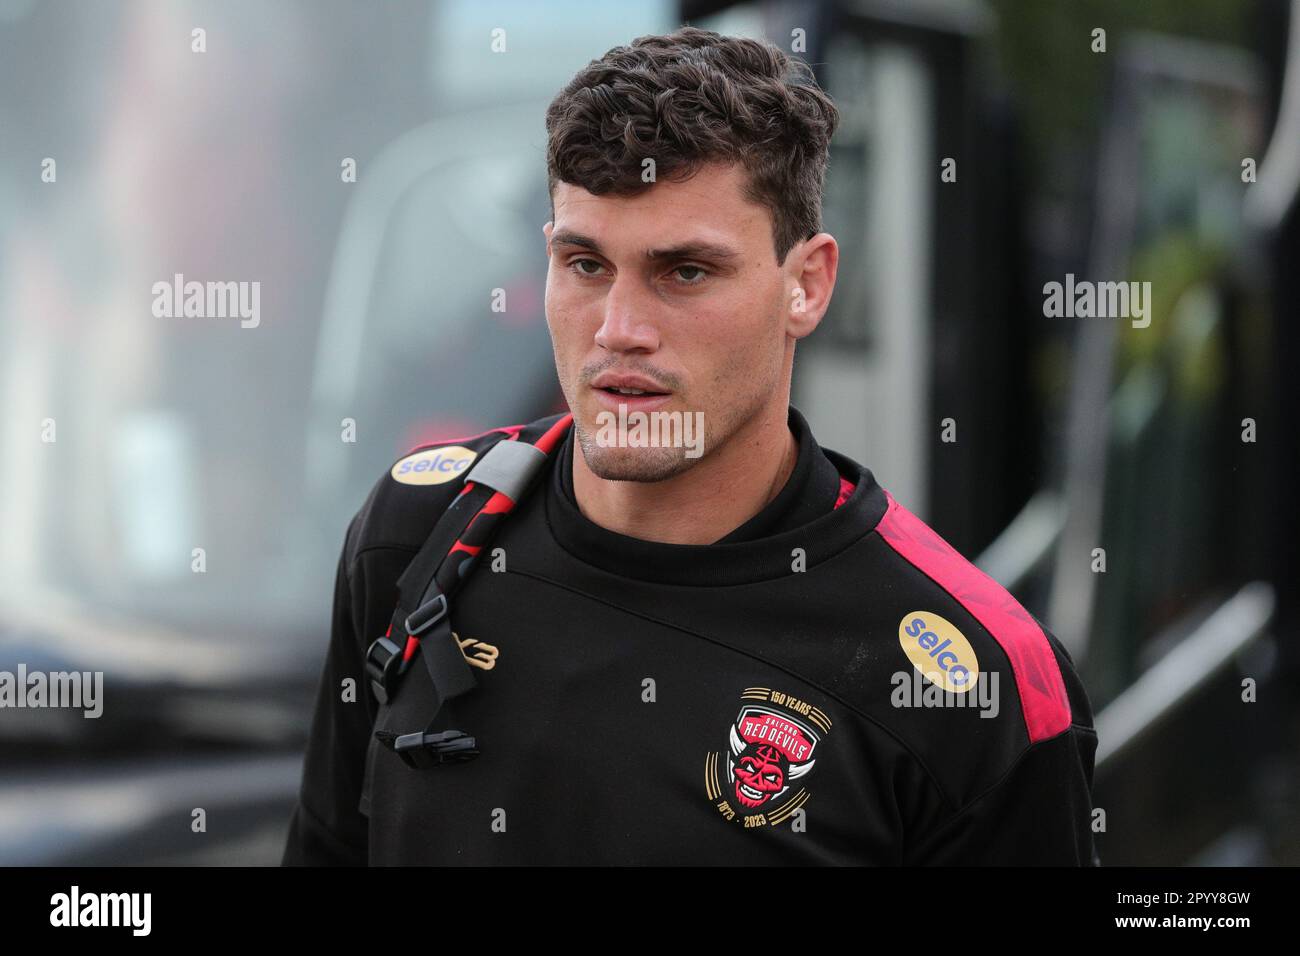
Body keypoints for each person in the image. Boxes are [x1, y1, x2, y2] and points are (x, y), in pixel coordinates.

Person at [281, 25, 1098, 865]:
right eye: (586, 264)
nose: (619, 329)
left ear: (807, 285)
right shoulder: (415, 532)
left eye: (685, 273)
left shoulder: (972, 685)